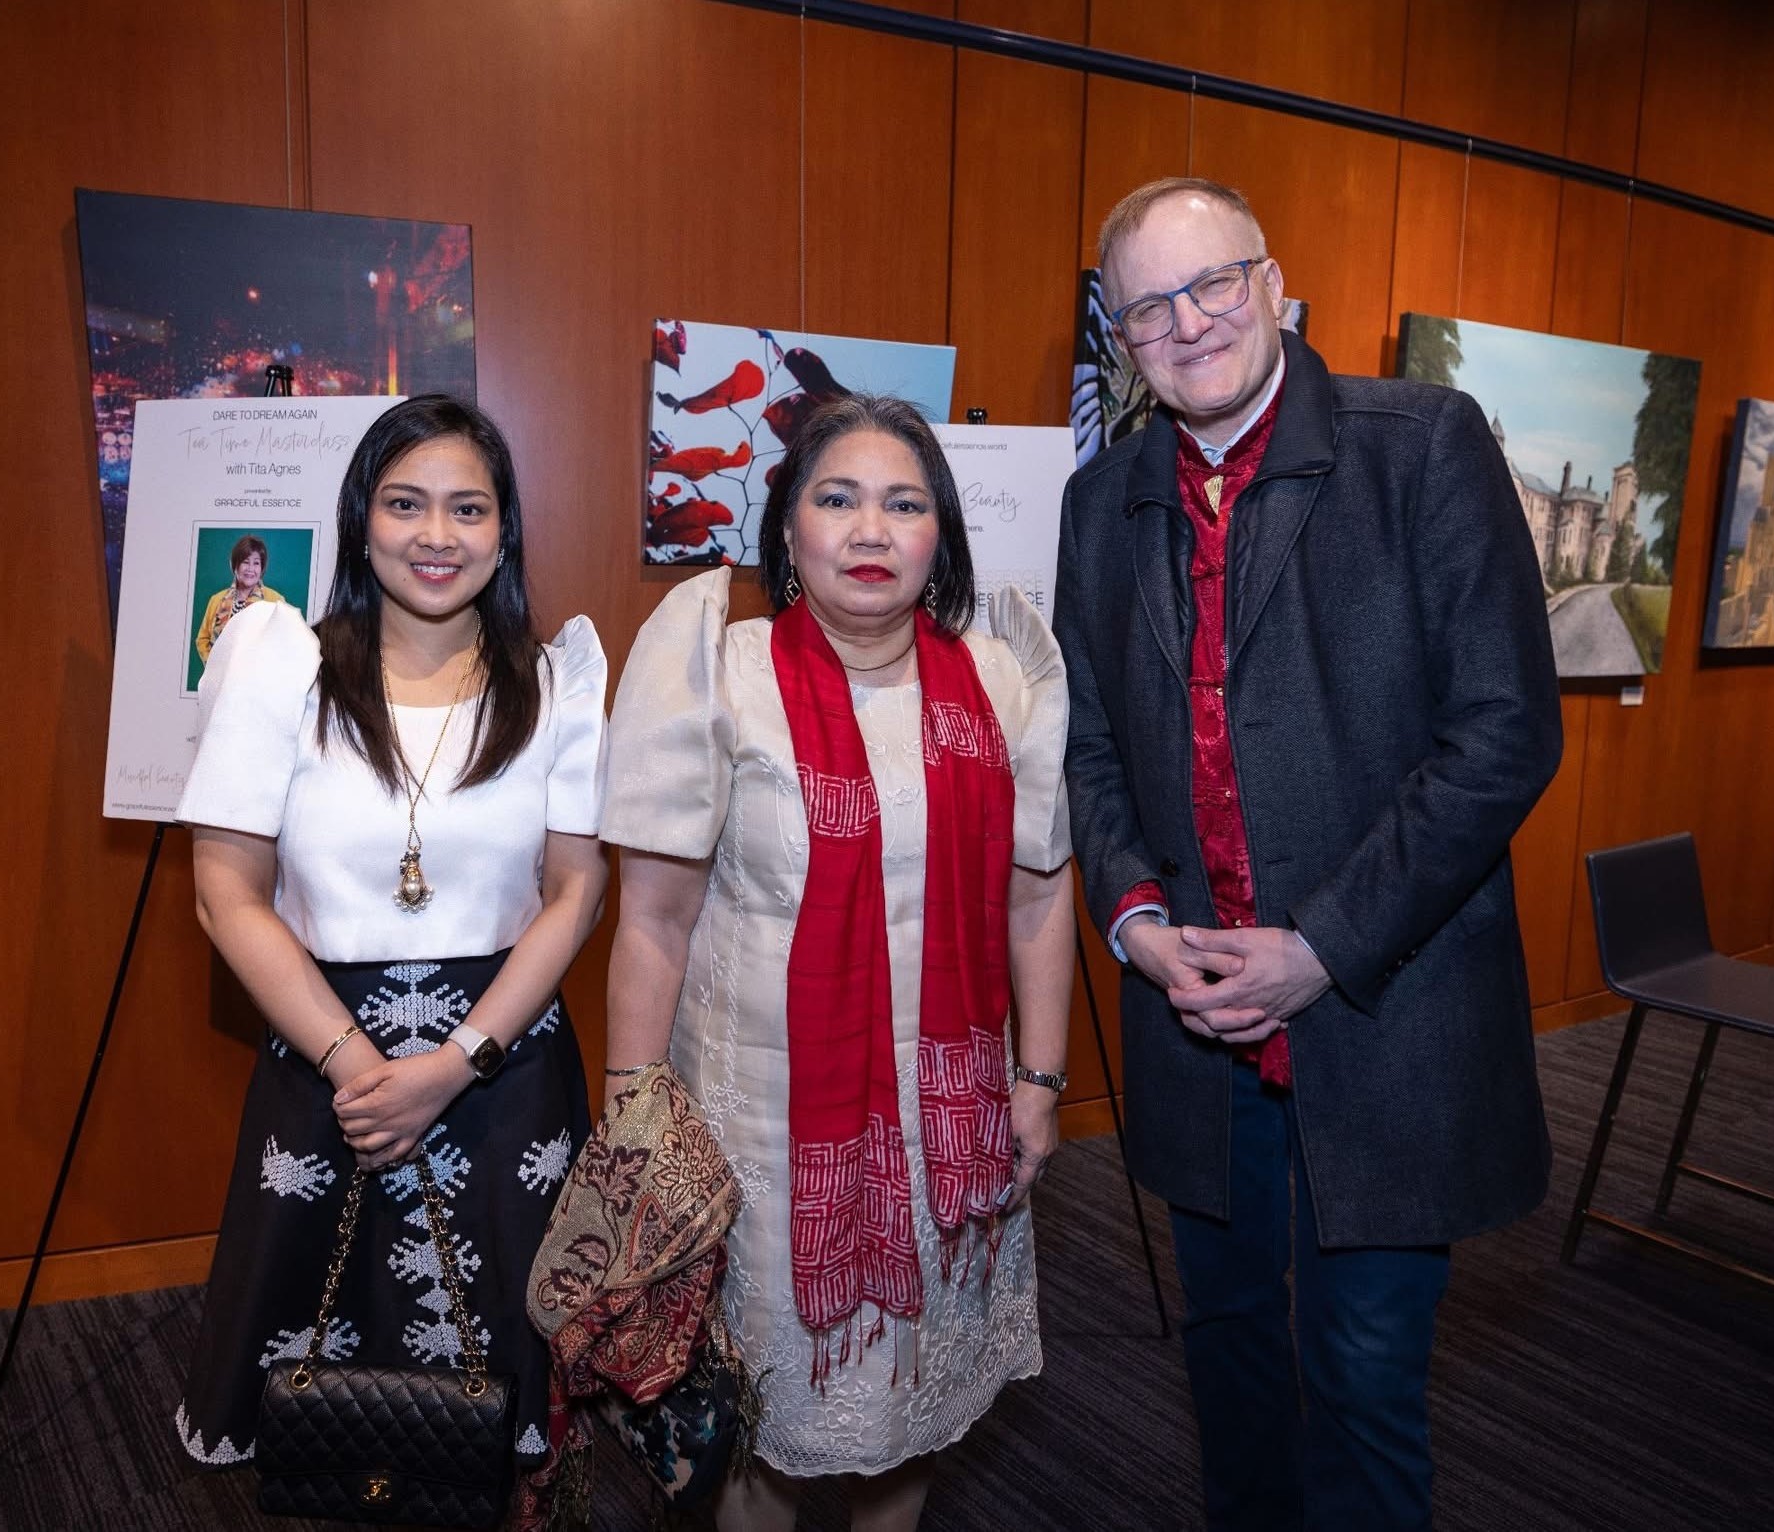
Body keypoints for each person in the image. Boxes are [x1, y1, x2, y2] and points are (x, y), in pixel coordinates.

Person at [1055, 178, 1563, 1531]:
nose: (1189, 321)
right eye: (1150, 304)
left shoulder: (1425, 446)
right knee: (1226, 1364)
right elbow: (1088, 753)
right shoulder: (1098, 503)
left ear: (1274, 283)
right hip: (1189, 1026)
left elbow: (1506, 734)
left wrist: (1321, 948)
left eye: (1213, 282)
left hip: (1382, 1020)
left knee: (1364, 1379)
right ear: (1121, 332)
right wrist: (1135, 919)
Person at [601, 394, 1075, 1532]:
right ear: (789, 529)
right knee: (766, 1429)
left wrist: (1040, 1078)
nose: (870, 529)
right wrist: (631, 1126)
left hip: (947, 1128)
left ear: (939, 537)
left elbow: (1039, 892)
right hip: (763, 1130)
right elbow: (653, 920)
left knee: (910, 1410)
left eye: (903, 503)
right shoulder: (720, 675)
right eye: (837, 497)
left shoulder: (1001, 679)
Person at [171, 394, 608, 1529]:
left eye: (468, 508)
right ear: (361, 519)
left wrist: (454, 1059)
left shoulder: (555, 684)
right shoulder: (280, 662)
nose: (435, 534)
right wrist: (360, 1061)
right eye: (405, 503)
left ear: (505, 530)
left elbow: (575, 891)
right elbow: (225, 892)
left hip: (503, 1066)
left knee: (502, 1400)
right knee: (320, 1376)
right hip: (328, 1066)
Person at [194, 532, 284, 664]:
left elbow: (282, 641)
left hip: (258, 677)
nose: (250, 569)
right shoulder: (216, 599)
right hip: (220, 679)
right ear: (235, 565)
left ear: (262, 568)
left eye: (256, 563)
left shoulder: (276, 600)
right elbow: (202, 639)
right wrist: (213, 666)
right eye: (245, 562)